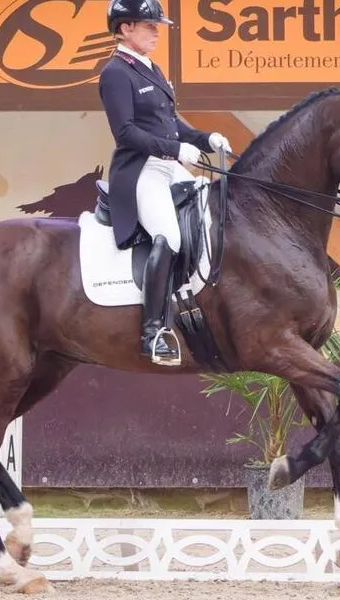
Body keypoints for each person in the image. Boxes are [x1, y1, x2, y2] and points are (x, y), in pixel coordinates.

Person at [99, 0, 231, 367]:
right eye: (148, 26)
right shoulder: (115, 73)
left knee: (211, 213)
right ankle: (153, 331)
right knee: (169, 238)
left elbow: (171, 124)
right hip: (141, 171)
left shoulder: (151, 69)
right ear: (124, 28)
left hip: (170, 164)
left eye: (157, 26)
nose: (157, 32)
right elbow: (125, 133)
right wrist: (176, 149)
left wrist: (206, 140)